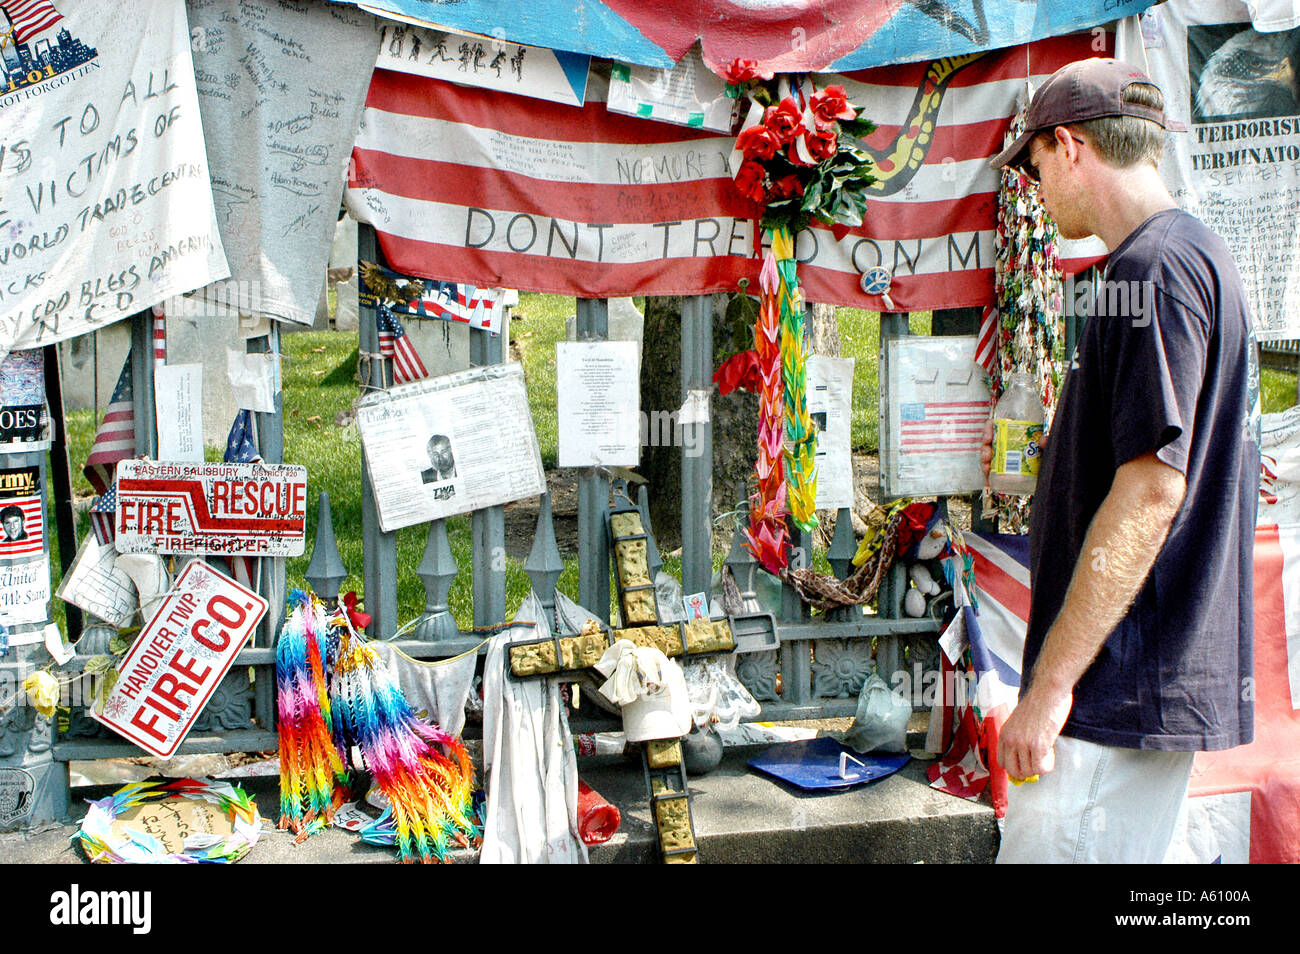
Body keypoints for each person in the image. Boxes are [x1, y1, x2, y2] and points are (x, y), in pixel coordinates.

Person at [983, 58, 1259, 863]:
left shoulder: (1152, 270)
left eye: (1035, 167)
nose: (1036, 190)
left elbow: (1147, 492)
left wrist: (1053, 687)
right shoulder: (1191, 256)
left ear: (1069, 146)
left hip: (1111, 691)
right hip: (1138, 683)